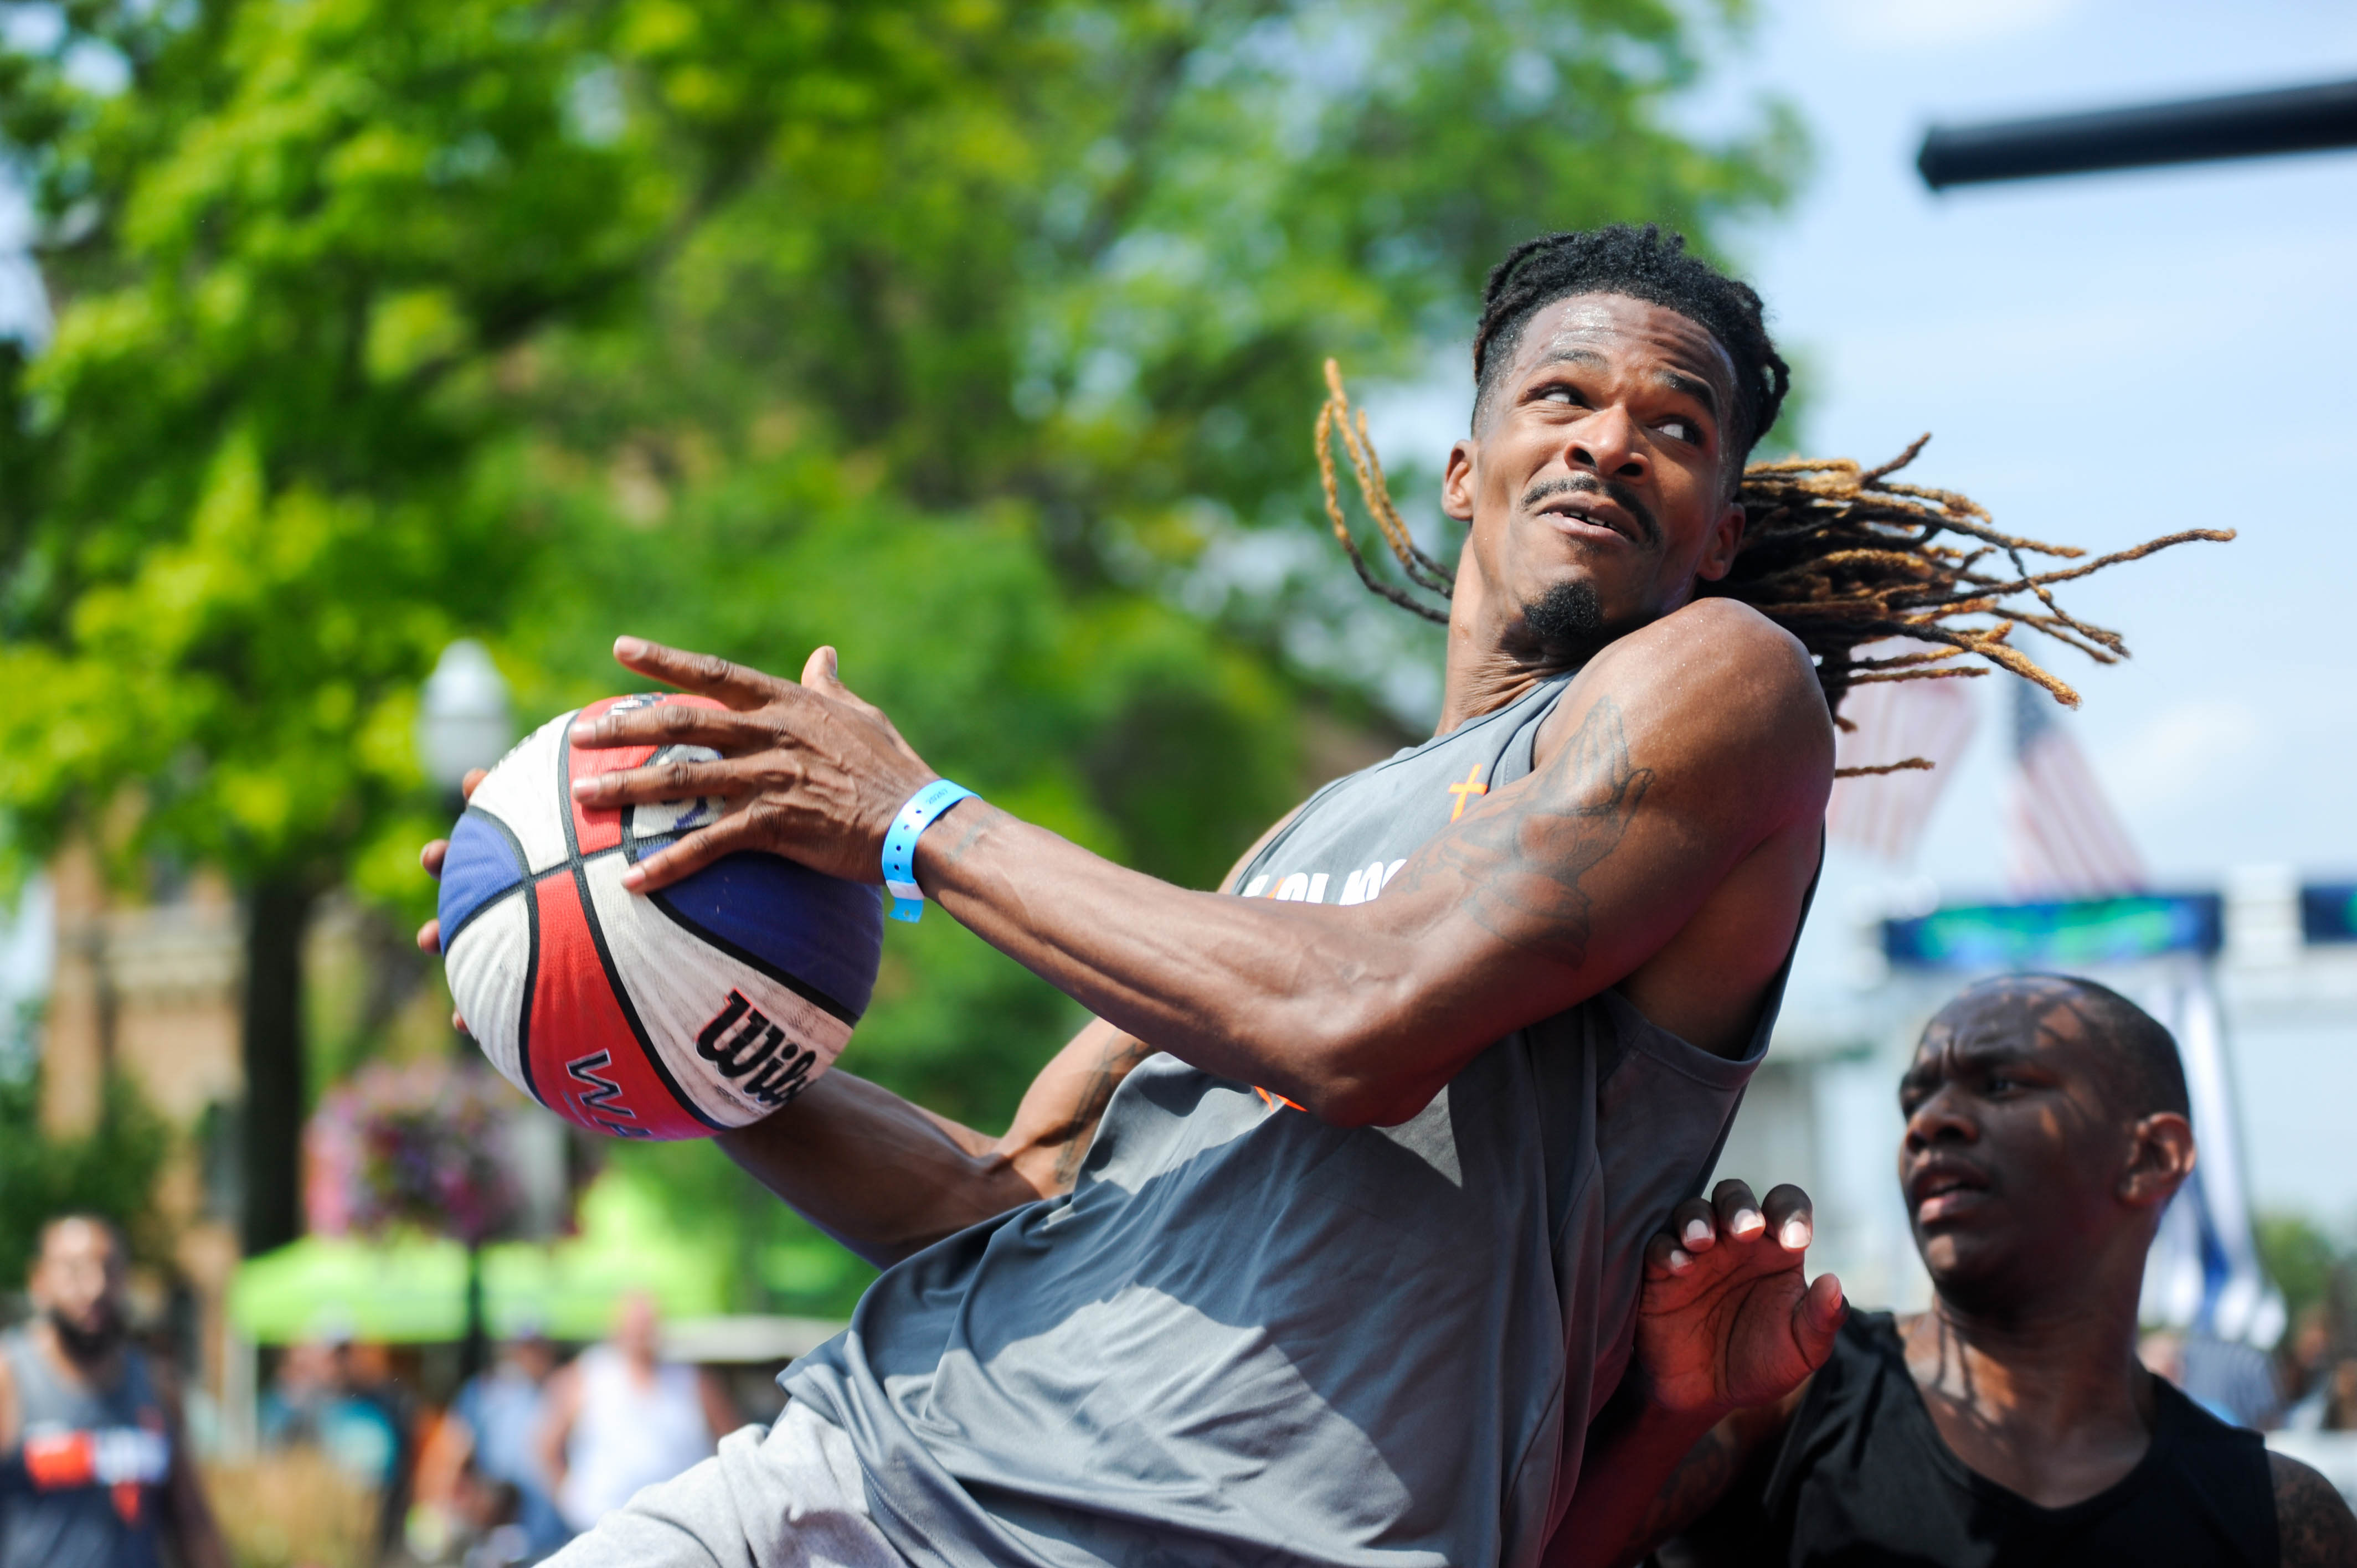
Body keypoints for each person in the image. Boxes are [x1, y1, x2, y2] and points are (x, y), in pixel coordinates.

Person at [421, 224, 2190, 1565]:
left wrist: (910, 814)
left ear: (1716, 526)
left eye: (1673, 423)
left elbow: (1360, 1019)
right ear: (1464, 467)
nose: (1606, 441)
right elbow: (995, 1192)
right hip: (875, 1477)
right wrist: (648, 1003)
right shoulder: (1299, 838)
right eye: (1557, 397)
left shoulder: (1718, 689)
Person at [1553, 973, 2357, 1567]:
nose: (1930, 1124)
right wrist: (1673, 1406)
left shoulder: (2281, 1522)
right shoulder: (1783, 1395)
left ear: (2151, 1156)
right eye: (1915, 1102)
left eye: (1999, 1084)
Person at [0, 1214, 228, 1568]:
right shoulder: (10, 1379)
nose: (95, 1288)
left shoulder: (156, 1384)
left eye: (109, 1269)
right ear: (39, 1282)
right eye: (74, 1271)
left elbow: (192, 1521)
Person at [539, 1293, 737, 1535]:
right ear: (616, 1329)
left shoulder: (693, 1381)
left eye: (648, 1325)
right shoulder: (587, 1375)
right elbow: (546, 1447)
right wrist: (574, 1502)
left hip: (678, 1529)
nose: (642, 1334)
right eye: (635, 1326)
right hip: (601, 1527)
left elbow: (733, 1442)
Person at [418, 1332, 572, 1558]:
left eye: (536, 1347)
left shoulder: (562, 1390)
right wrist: (440, 1506)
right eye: (525, 1347)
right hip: (496, 1528)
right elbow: (451, 1452)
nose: (531, 1355)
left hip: (550, 1534)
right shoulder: (484, 1391)